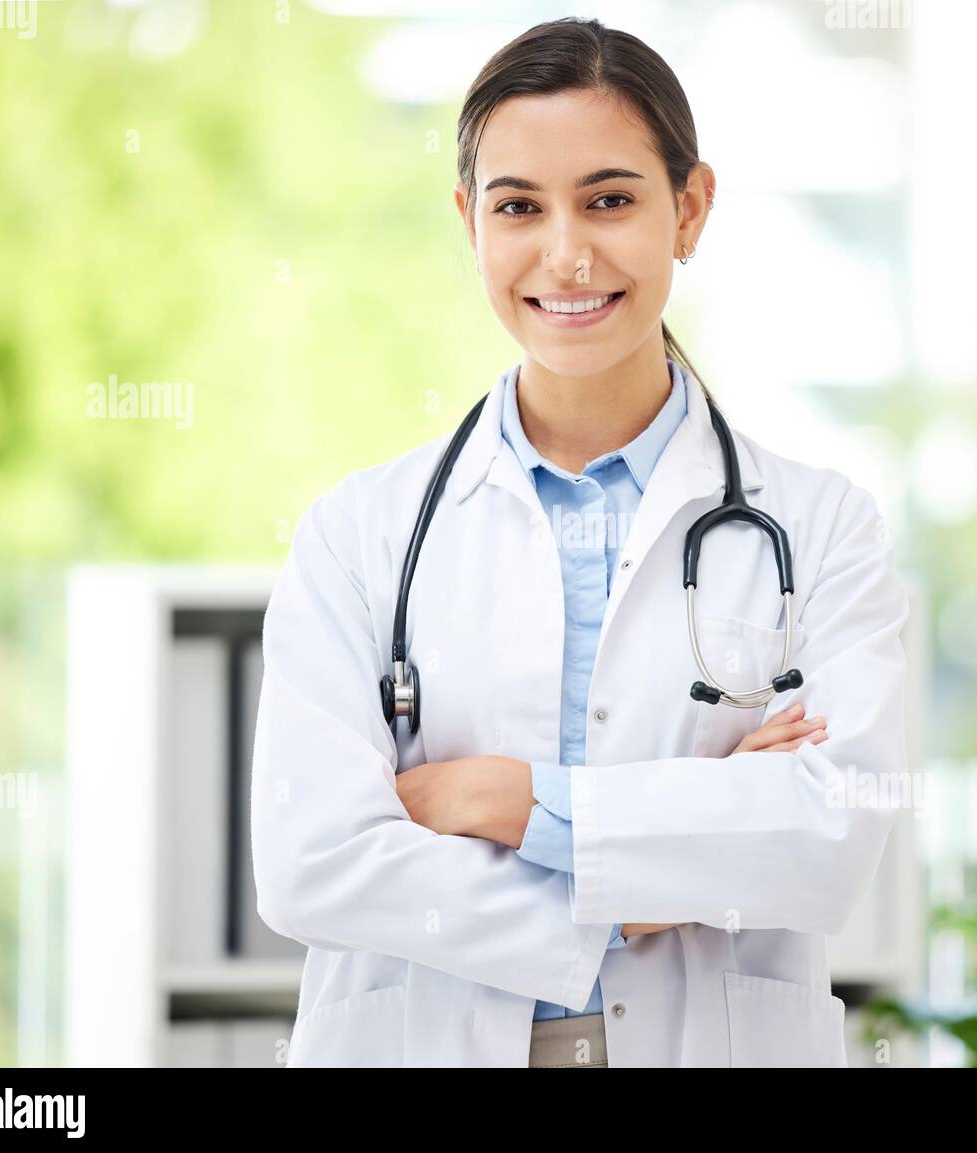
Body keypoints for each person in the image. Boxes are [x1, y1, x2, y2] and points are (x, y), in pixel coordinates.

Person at [251, 16, 909, 1068]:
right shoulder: (359, 535)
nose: (566, 253)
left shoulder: (822, 528)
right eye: (519, 206)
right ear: (470, 221)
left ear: (687, 209)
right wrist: (646, 885)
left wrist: (506, 800)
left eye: (610, 199)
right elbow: (314, 862)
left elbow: (827, 841)